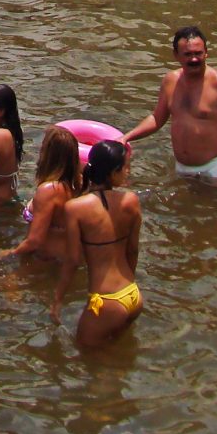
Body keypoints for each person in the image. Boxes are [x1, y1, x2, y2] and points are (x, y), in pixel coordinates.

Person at [121, 24, 217, 186]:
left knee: (216, 209)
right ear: (176, 55)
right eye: (187, 54)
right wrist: (126, 137)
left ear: (206, 52)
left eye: (198, 53)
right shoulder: (170, 81)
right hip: (182, 167)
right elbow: (157, 118)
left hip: (216, 166)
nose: (193, 59)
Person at [52, 139, 143, 348]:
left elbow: (73, 260)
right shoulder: (131, 201)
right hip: (133, 295)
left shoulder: (75, 208)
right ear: (111, 174)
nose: (128, 172)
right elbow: (133, 250)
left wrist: (57, 299)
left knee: (89, 364)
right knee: (115, 356)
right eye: (124, 167)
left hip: (106, 301)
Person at [1, 124, 82, 264]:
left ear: (48, 153)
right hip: (61, 260)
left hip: (42, 260)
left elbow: (35, 240)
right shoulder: (77, 185)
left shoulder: (49, 190)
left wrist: (10, 253)